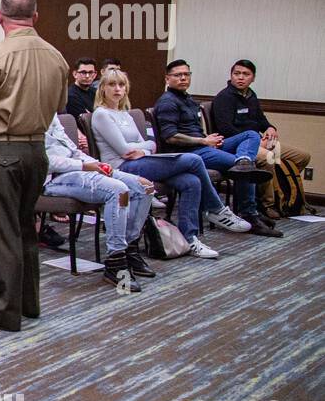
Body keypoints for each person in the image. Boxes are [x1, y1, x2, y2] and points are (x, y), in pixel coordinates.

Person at [0, 0, 68, 332]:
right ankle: (29, 303)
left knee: (1, 232)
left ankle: (4, 310)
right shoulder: (57, 57)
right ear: (35, 17)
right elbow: (59, 108)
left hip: (2, 151)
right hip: (37, 151)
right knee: (24, 228)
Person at [92, 67, 247, 259]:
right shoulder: (101, 114)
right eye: (112, 84)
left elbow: (151, 144)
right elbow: (124, 151)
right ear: (102, 89)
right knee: (194, 159)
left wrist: (142, 148)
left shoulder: (126, 114)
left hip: (142, 161)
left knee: (191, 182)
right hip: (121, 167)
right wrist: (143, 147)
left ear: (126, 88)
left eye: (121, 84)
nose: (117, 89)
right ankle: (216, 208)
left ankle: (189, 239)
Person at [154, 59, 275, 236]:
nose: (183, 78)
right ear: (167, 79)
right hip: (189, 152)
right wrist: (203, 141)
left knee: (251, 135)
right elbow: (170, 137)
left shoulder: (187, 99)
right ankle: (249, 213)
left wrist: (208, 140)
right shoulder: (168, 102)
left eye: (186, 74)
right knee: (244, 168)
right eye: (177, 75)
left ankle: (244, 162)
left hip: (205, 145)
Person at [42, 115, 154, 291]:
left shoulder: (52, 114)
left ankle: (129, 248)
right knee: (118, 191)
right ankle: (116, 262)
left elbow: (71, 149)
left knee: (145, 187)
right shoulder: (28, 113)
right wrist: (84, 165)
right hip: (53, 178)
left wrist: (95, 163)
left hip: (78, 167)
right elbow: (44, 161)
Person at [211, 59, 310, 224]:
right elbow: (225, 129)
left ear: (253, 78)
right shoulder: (224, 97)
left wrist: (271, 128)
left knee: (302, 156)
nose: (240, 78)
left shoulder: (250, 95)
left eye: (246, 74)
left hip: (257, 140)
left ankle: (282, 193)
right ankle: (267, 204)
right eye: (237, 74)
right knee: (267, 158)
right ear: (231, 76)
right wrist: (256, 142)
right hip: (237, 146)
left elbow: (261, 120)